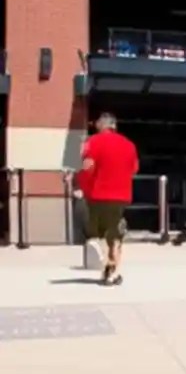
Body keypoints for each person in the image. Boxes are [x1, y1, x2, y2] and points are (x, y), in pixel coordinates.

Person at [79, 113, 139, 285]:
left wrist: (83, 188)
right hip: (120, 196)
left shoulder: (93, 142)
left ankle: (106, 263)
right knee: (115, 234)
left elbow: (87, 167)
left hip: (97, 195)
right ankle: (111, 268)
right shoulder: (129, 145)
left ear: (101, 125)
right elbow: (134, 169)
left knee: (97, 231)